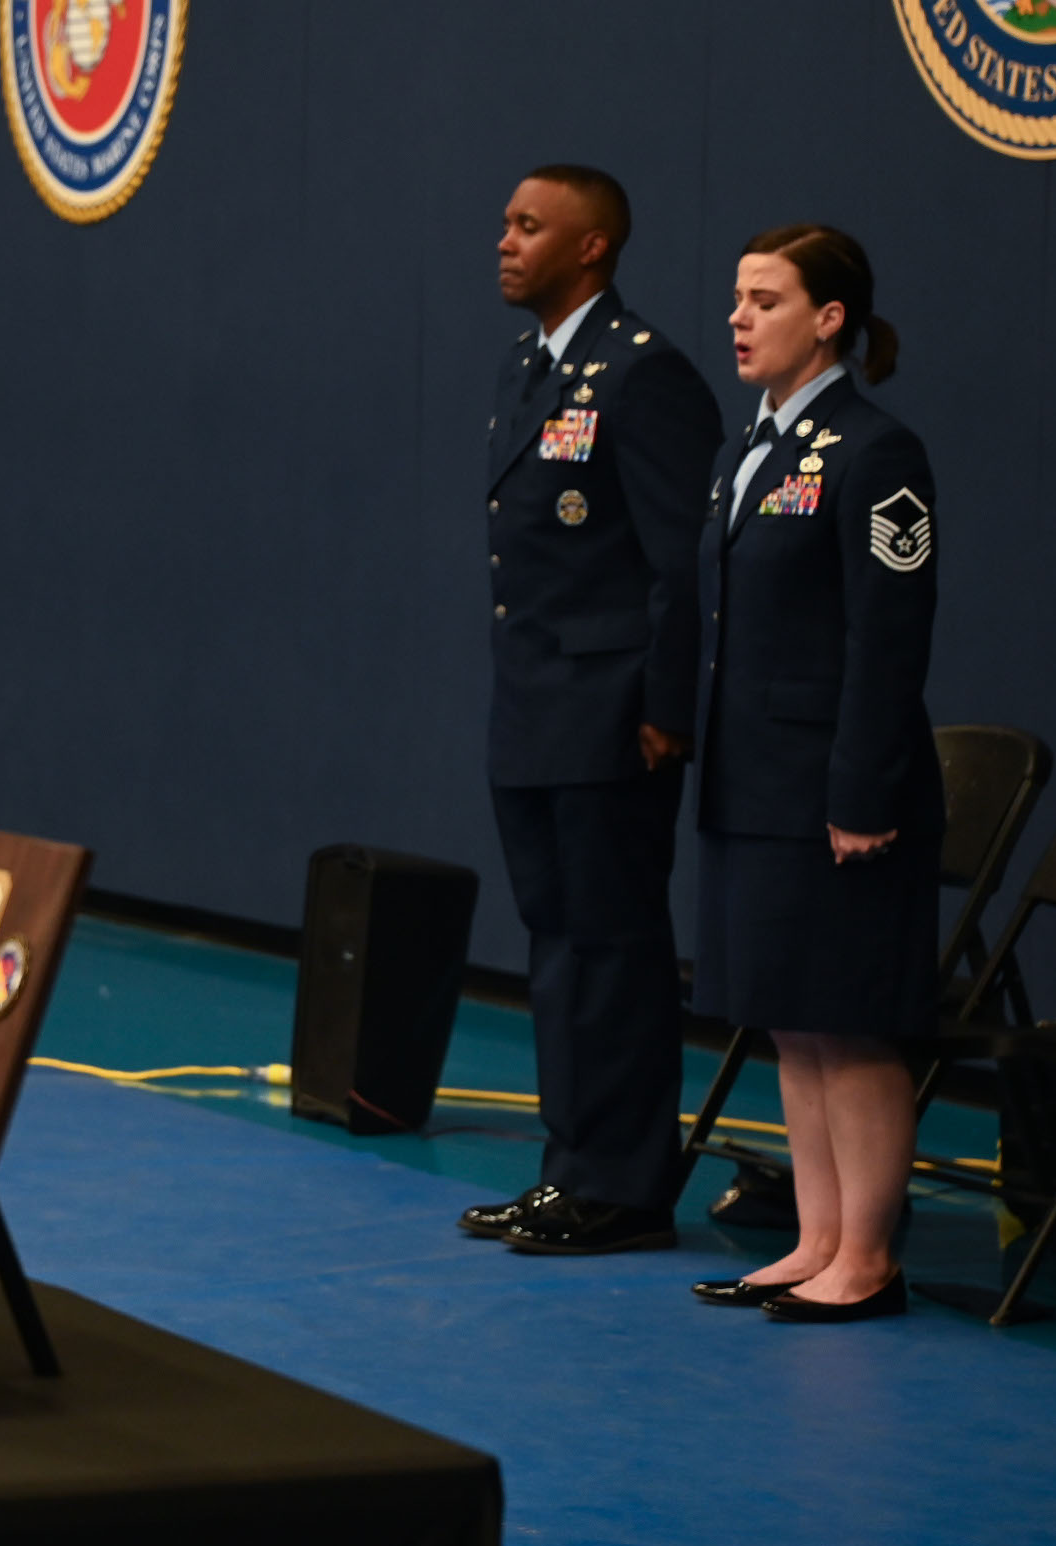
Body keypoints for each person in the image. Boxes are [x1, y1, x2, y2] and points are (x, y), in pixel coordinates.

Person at [460, 166, 723, 1254]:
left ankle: (621, 1184)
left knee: (612, 946)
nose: (503, 240)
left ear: (591, 247)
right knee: (556, 943)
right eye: (504, 220)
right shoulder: (532, 370)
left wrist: (665, 705)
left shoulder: (642, 375)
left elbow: (681, 560)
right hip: (533, 704)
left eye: (527, 225)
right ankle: (568, 1166)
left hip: (614, 712)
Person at [687, 225, 941, 1322]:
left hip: (835, 793)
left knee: (848, 1019)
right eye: (736, 297)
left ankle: (869, 1257)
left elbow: (887, 641)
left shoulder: (876, 451)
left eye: (765, 299)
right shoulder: (750, 448)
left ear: (827, 317)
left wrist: (858, 794)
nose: (738, 318)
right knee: (791, 1017)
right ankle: (818, 1237)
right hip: (752, 781)